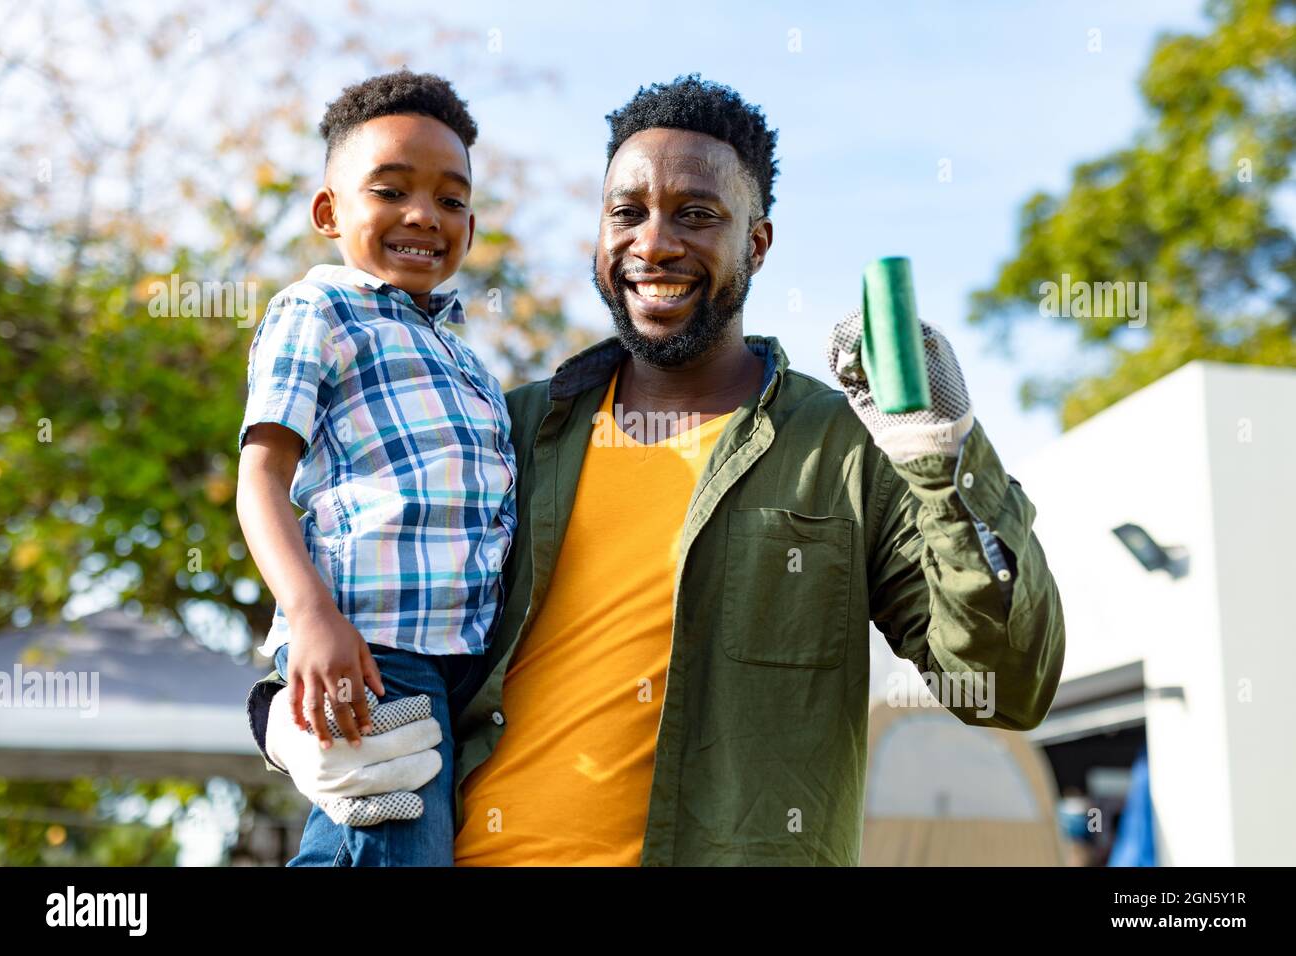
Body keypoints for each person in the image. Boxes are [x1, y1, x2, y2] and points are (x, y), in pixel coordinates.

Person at [250, 73, 1066, 866]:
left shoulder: (843, 447)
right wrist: (278, 725)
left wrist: (943, 454)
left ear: (757, 242)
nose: (655, 242)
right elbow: (375, 605)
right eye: (627, 212)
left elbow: (1002, 685)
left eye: (697, 214)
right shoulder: (515, 426)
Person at [236, 69, 516, 866]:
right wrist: (312, 616)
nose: (424, 215)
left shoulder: (465, 361)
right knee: (383, 846)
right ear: (330, 211)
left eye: (452, 199)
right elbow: (260, 479)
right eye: (390, 190)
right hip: (369, 646)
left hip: (461, 662)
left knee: (395, 844)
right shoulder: (319, 309)